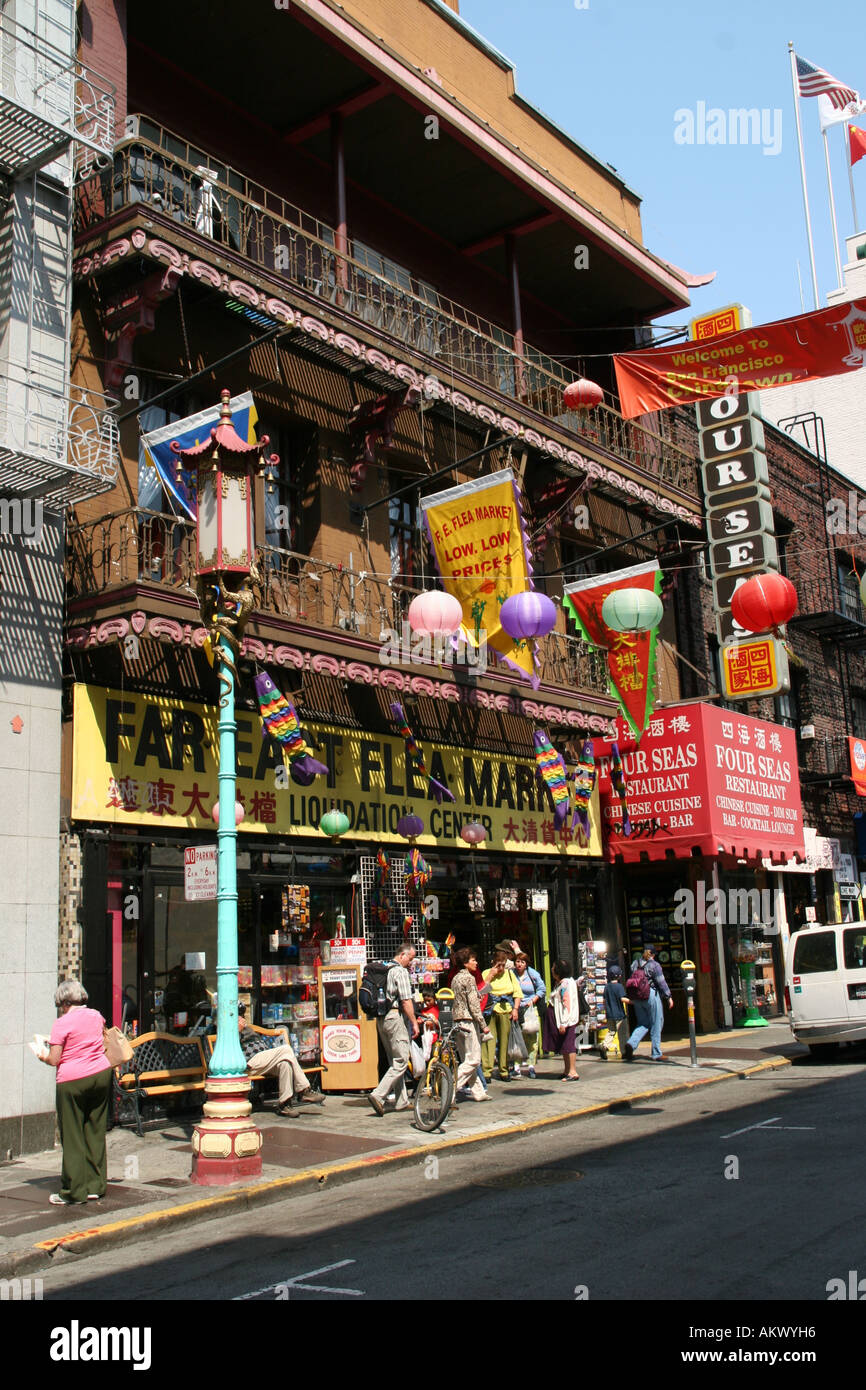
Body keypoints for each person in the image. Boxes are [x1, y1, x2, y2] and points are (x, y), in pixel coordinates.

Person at [38, 980, 113, 1206]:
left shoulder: (62, 1023)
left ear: (64, 1002)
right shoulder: (97, 1016)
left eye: (60, 1004)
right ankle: (95, 1185)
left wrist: (41, 1054)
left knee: (72, 1135)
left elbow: (55, 1059)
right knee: (95, 1130)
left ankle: (73, 1191)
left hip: (72, 1080)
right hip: (101, 1074)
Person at [237, 1006, 324, 1116]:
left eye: (242, 1014)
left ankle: (284, 1104)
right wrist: (237, 1030)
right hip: (249, 1063)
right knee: (286, 1049)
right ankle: (303, 1090)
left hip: (262, 1061)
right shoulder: (228, 1030)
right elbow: (230, 1049)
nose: (241, 1017)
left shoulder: (247, 1027)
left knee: (285, 1064)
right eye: (238, 1014)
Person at [368, 944, 419, 1116]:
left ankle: (401, 1101)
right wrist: (414, 1022)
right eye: (410, 959)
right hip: (395, 1018)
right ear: (403, 955)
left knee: (394, 1060)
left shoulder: (384, 968)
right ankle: (378, 1094)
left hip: (381, 1019)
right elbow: (406, 1000)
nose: (411, 963)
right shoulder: (400, 972)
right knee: (401, 1060)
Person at [450, 947, 492, 1102]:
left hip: (457, 1021)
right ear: (466, 963)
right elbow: (473, 1006)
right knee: (473, 1059)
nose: (476, 963)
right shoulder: (469, 978)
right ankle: (450, 1087)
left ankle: (479, 1092)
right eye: (473, 960)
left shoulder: (455, 978)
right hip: (468, 1022)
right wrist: (483, 1024)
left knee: (466, 1058)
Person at [623, 946, 674, 1062]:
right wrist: (668, 997)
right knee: (657, 1022)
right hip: (651, 995)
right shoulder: (654, 965)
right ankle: (656, 1053)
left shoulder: (635, 964)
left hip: (637, 997)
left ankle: (631, 1044)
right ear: (653, 954)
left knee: (643, 1023)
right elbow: (661, 982)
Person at [481, 941, 522, 1082]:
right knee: (488, 1041)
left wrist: (515, 1009)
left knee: (505, 1041)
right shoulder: (486, 973)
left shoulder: (510, 975)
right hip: (490, 1010)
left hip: (506, 1010)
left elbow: (517, 993)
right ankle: (487, 1070)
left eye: (503, 965)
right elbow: (481, 992)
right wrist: (491, 975)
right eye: (499, 964)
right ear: (493, 963)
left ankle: (504, 1069)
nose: (501, 968)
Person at [542, 959, 581, 1080]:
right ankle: (567, 1070)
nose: (552, 969)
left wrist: (563, 1022)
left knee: (569, 1045)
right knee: (565, 1046)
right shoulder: (565, 982)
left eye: (553, 967)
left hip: (566, 1020)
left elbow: (566, 1004)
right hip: (564, 1020)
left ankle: (573, 1072)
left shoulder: (565, 984)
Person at [513, 950, 546, 1078]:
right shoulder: (511, 974)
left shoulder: (532, 974)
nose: (519, 964)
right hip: (516, 1009)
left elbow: (542, 989)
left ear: (526, 964)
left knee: (532, 1037)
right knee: (516, 1038)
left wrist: (532, 1001)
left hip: (530, 1009)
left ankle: (531, 1065)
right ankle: (516, 1066)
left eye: (522, 962)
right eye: (517, 961)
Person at [600, 964, 629, 1060]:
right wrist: (632, 1001)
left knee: (611, 1031)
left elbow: (604, 1001)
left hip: (609, 1015)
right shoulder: (619, 987)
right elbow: (622, 999)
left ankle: (604, 1045)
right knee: (622, 1033)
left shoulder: (607, 987)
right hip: (619, 1015)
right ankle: (625, 1052)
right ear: (619, 976)